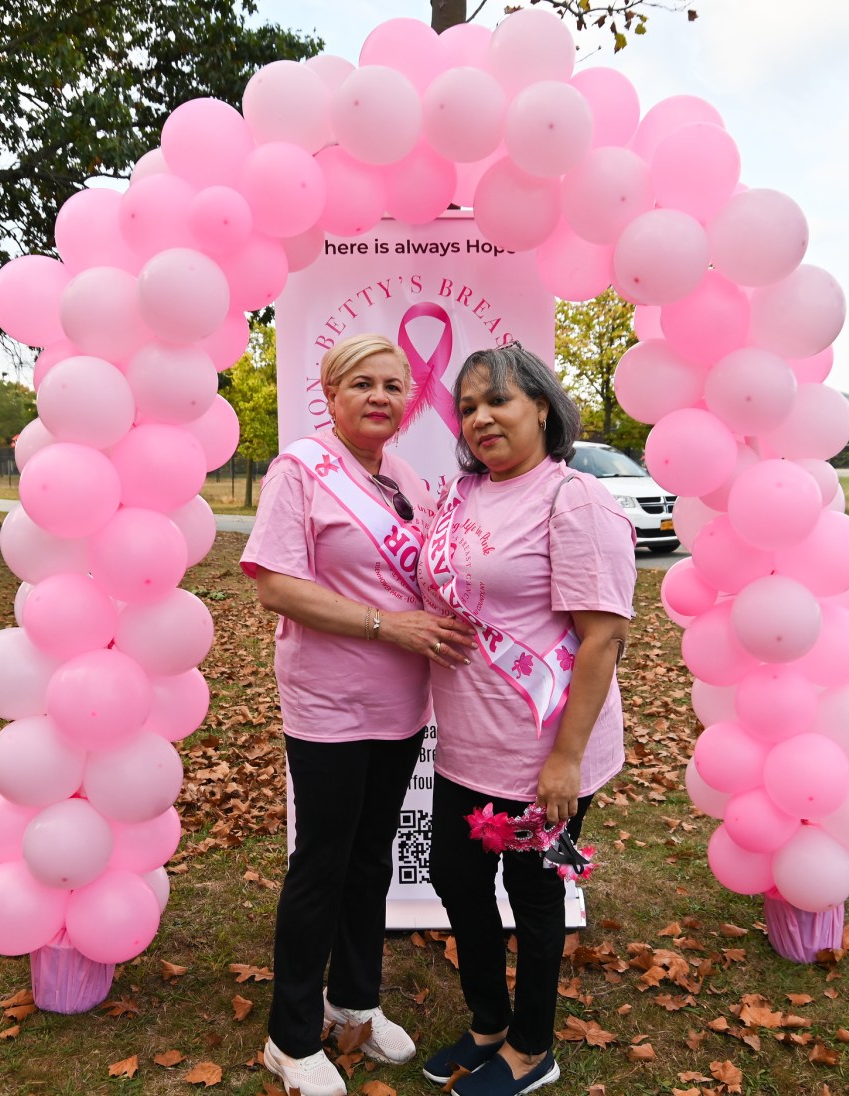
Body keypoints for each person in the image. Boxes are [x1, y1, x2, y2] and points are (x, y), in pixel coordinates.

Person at [240, 333, 474, 1096]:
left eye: (394, 386)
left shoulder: (403, 475)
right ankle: (289, 1037)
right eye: (363, 384)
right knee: (323, 864)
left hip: (401, 700)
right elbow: (275, 587)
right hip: (330, 702)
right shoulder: (300, 471)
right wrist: (386, 627)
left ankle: (355, 1002)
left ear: (409, 401)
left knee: (372, 857)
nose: (380, 397)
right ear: (332, 395)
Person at [419, 343, 638, 1096]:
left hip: (543, 750)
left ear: (541, 406)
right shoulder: (461, 496)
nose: (481, 418)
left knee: (535, 893)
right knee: (455, 876)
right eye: (467, 407)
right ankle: (488, 1022)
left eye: (498, 400)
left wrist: (566, 761)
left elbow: (602, 637)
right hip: (465, 742)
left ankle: (531, 1048)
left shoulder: (573, 499)